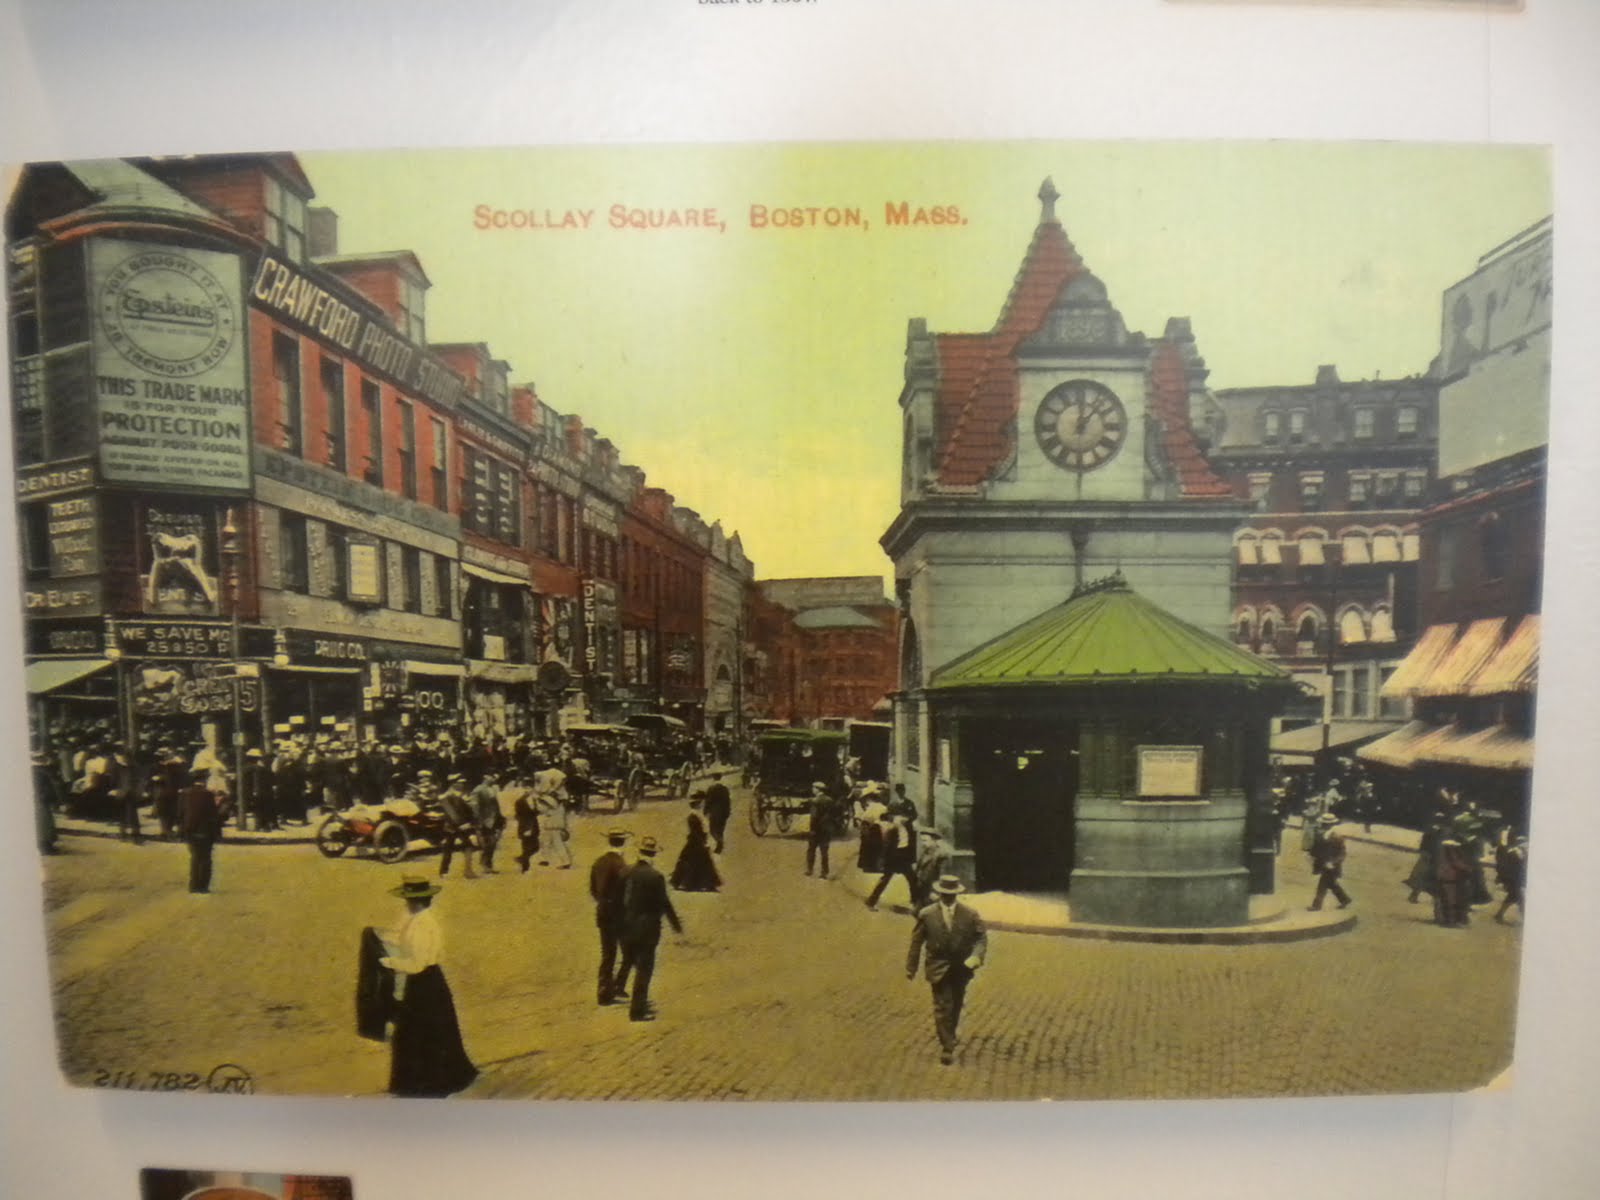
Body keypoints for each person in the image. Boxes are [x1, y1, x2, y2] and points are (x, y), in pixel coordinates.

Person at [377, 875, 478, 1097]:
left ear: (416, 901)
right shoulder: (419, 919)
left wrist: (389, 962)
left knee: (418, 1033)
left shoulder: (421, 925)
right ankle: (434, 1078)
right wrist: (381, 938)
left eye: (408, 900)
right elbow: (402, 939)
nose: (406, 903)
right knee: (432, 1032)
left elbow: (416, 964)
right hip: (429, 982)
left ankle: (425, 1082)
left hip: (423, 983)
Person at [906, 874, 988, 1065]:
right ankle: (947, 1045)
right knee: (943, 1005)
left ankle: (950, 1033)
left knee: (956, 1003)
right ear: (940, 894)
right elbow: (916, 941)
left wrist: (976, 956)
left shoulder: (969, 914)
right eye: (945, 894)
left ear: (957, 894)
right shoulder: (927, 914)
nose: (949, 898)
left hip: (961, 967)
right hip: (938, 966)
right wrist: (911, 967)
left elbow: (981, 938)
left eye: (952, 894)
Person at [618, 836, 682, 1022]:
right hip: (647, 928)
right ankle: (638, 1010)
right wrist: (676, 925)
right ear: (653, 854)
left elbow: (617, 899)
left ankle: (629, 996)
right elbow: (664, 904)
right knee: (644, 969)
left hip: (626, 926)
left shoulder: (625, 872)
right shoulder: (656, 877)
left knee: (631, 961)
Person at [589, 828, 632, 1005]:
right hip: (618, 915)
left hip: (602, 912)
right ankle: (616, 986)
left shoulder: (599, 862)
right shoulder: (621, 865)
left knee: (608, 954)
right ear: (623, 842)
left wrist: (602, 901)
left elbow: (593, 889)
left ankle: (604, 991)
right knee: (629, 952)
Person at [179, 766, 225, 894]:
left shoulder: (185, 793)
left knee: (195, 857)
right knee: (205, 858)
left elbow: (180, 813)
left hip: (190, 829)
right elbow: (213, 814)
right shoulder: (208, 795)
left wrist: (182, 829)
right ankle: (203, 886)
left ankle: (193, 885)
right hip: (204, 830)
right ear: (204, 780)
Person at [866, 809, 917, 911]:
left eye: (903, 817)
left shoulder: (906, 826)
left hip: (903, 855)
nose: (903, 819)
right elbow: (886, 845)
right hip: (894, 857)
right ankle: (871, 901)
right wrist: (884, 860)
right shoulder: (891, 829)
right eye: (900, 817)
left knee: (912, 878)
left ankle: (915, 902)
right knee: (886, 879)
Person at [670, 800, 722, 892]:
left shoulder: (697, 815)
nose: (701, 805)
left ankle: (684, 882)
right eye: (700, 804)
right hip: (695, 842)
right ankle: (704, 884)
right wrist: (703, 842)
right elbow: (696, 831)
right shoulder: (693, 816)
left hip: (696, 841)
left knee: (693, 861)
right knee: (700, 862)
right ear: (696, 805)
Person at [1307, 812, 1352, 911]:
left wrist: (1333, 862)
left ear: (1330, 825)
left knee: (1322, 885)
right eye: (1323, 823)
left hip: (1332, 866)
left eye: (1325, 824)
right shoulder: (1321, 834)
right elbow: (1317, 848)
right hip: (1324, 864)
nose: (1323, 825)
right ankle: (1345, 899)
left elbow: (1342, 853)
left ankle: (1316, 905)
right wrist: (1311, 855)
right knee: (1332, 884)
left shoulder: (1337, 837)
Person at [437, 774, 478, 879]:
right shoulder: (446, 798)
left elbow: (469, 812)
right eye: (459, 783)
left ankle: (468, 871)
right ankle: (444, 871)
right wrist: (463, 824)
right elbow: (452, 814)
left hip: (462, 826)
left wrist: (471, 823)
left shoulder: (462, 796)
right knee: (448, 849)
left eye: (462, 783)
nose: (461, 785)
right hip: (451, 827)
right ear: (453, 784)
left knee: (468, 846)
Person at [536, 772, 573, 869]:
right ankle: (545, 859)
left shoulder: (552, 797)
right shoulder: (561, 794)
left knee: (556, 842)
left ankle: (565, 861)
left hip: (552, 822)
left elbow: (543, 808)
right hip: (553, 822)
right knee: (547, 841)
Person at [470, 771, 505, 873]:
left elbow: (497, 804)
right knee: (490, 842)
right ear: (485, 776)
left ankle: (486, 862)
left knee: (494, 842)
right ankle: (486, 864)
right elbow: (475, 807)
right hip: (485, 820)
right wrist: (479, 820)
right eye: (492, 777)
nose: (494, 779)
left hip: (496, 818)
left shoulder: (494, 788)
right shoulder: (478, 790)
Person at [804, 782, 837, 880]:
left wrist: (812, 829)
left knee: (811, 850)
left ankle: (810, 870)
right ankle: (824, 872)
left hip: (816, 829)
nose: (813, 790)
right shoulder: (830, 800)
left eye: (814, 788)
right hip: (826, 829)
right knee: (824, 851)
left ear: (817, 789)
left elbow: (814, 817)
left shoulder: (815, 801)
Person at [913, 828, 950, 912]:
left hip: (932, 890)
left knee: (930, 916)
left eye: (925, 840)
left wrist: (936, 892)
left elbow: (943, 875)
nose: (923, 843)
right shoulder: (926, 851)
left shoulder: (941, 855)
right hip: (922, 890)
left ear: (934, 841)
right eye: (922, 840)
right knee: (918, 914)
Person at [1494, 835, 1527, 924]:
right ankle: (1526, 919)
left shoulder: (1515, 851)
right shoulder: (1511, 852)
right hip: (1512, 879)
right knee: (1519, 898)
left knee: (1513, 897)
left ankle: (1499, 914)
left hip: (1515, 879)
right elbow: (1505, 867)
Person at [700, 775, 733, 853]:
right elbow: (728, 801)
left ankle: (719, 842)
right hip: (723, 813)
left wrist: (705, 811)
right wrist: (728, 812)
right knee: (720, 830)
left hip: (714, 813)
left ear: (713, 778)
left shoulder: (711, 788)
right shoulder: (725, 789)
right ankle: (719, 845)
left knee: (713, 830)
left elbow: (708, 801)